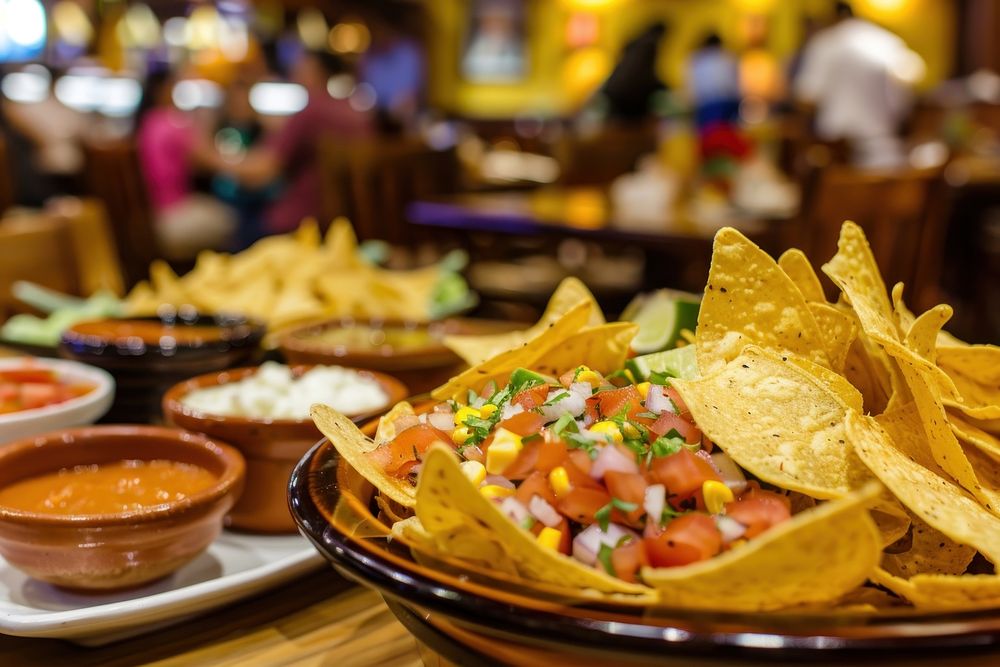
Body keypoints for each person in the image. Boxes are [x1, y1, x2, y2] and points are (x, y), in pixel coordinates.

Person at [222, 50, 374, 234]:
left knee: (238, 219)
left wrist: (212, 158)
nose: (295, 71)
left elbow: (264, 169)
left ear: (316, 70)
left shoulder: (311, 111)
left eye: (301, 65)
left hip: (304, 222)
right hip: (350, 221)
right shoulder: (353, 110)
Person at [793, 1, 925, 169]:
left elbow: (806, 98)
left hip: (838, 153)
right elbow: (909, 88)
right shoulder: (885, 41)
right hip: (885, 151)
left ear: (833, 16)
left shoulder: (825, 44)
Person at [135, 69, 237, 260]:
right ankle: (213, 275)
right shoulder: (171, 123)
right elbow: (207, 159)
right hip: (171, 215)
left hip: (151, 215)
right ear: (164, 90)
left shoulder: (148, 122)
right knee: (233, 219)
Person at [598, 22, 668, 122]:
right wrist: (665, 87)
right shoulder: (650, 45)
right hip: (630, 95)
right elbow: (646, 74)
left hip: (615, 91)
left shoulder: (635, 42)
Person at [686, 33, 741, 130]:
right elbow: (737, 85)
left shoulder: (696, 59)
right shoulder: (729, 57)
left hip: (706, 106)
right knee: (729, 136)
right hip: (729, 104)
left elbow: (692, 90)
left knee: (710, 138)